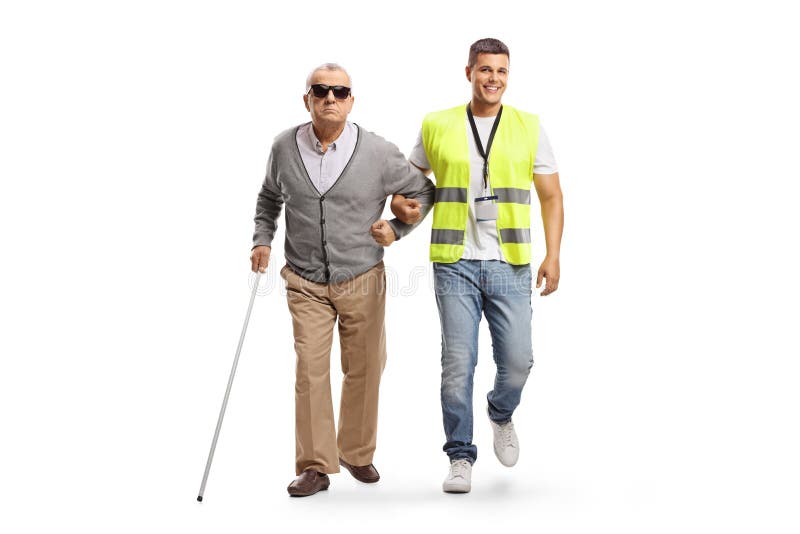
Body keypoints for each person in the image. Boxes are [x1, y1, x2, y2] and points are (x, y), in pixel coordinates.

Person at [250, 63, 434, 497]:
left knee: (366, 366)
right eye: (321, 90)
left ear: (351, 101)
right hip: (305, 279)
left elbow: (425, 191)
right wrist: (262, 239)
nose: (330, 98)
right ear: (307, 99)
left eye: (340, 91)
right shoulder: (283, 147)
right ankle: (315, 465)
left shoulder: (377, 152)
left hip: (363, 276)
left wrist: (397, 227)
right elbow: (268, 196)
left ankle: (355, 451)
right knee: (310, 369)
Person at [391, 38, 564, 493]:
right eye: (485, 69)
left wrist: (554, 253)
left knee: (518, 362)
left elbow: (551, 195)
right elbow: (411, 182)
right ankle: (460, 455)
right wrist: (398, 208)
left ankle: (501, 412)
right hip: (455, 262)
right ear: (468, 71)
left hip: (510, 262)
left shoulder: (529, 126)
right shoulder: (437, 124)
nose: (493, 79)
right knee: (456, 365)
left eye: (502, 71)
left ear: (509, 75)